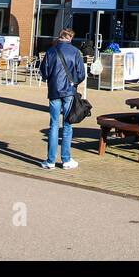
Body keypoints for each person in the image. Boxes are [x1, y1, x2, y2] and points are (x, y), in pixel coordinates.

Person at [38, 27, 86, 170]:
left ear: (60, 37)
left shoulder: (51, 51)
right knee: (67, 125)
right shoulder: (75, 52)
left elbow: (44, 72)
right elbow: (81, 74)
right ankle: (66, 159)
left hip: (54, 91)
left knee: (53, 125)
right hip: (69, 92)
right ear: (70, 38)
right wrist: (74, 82)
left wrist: (52, 80)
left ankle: (50, 161)